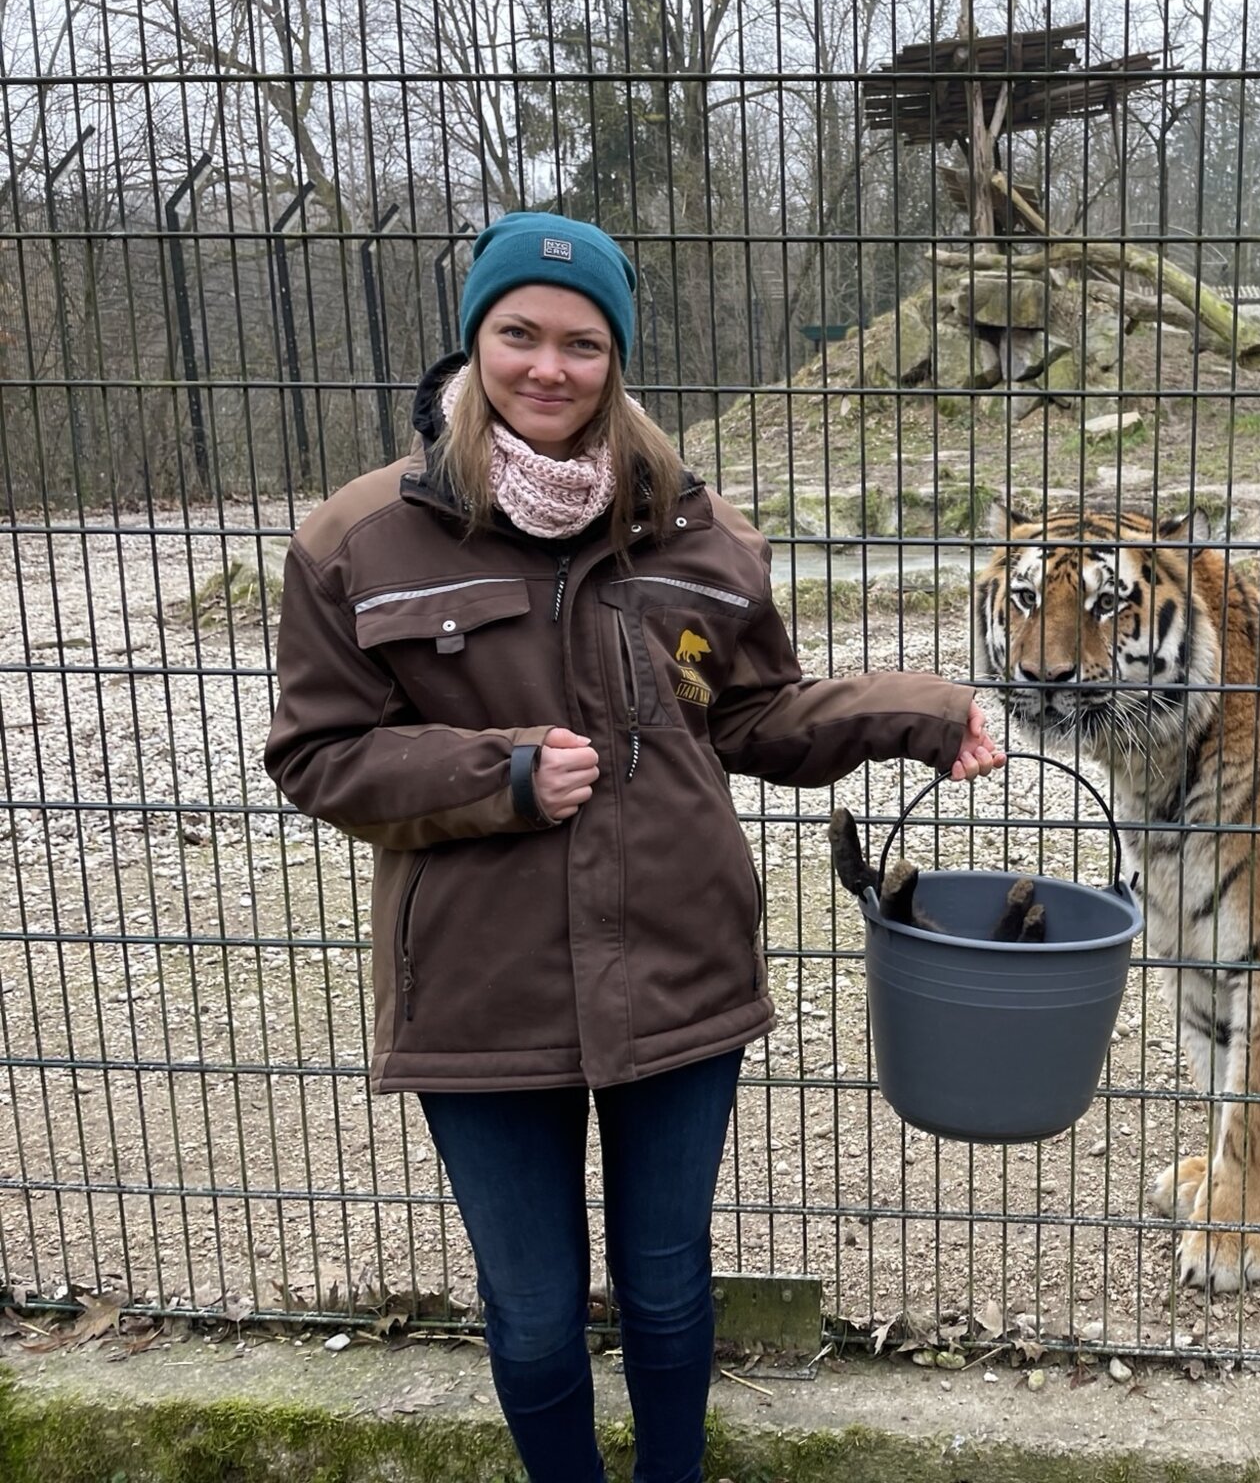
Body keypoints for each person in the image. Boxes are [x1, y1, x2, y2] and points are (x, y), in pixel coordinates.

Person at [263, 212, 1002, 1482]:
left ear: (616, 360)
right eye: (519, 335)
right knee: (534, 1311)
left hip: (676, 967)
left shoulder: (699, 533)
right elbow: (317, 754)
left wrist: (918, 714)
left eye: (582, 344)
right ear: (473, 341)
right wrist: (496, 775)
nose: (547, 368)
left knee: (667, 1290)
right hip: (483, 990)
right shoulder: (362, 539)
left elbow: (753, 715)